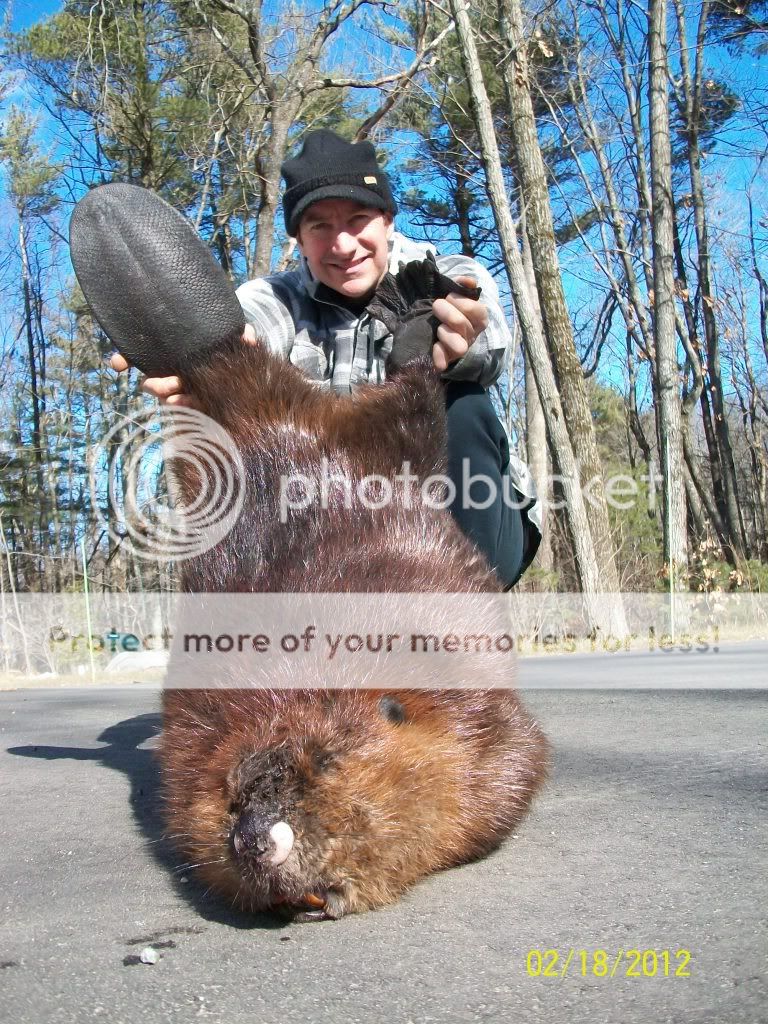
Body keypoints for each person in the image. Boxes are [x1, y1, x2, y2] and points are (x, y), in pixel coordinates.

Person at [112, 130, 541, 587]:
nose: (343, 245)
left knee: (461, 403)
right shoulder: (277, 297)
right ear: (298, 238)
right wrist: (200, 351)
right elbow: (248, 321)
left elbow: (488, 331)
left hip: (468, 525)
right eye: (319, 226)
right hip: (341, 527)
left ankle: (465, 617)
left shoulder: (444, 273)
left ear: (388, 221)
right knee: (246, 431)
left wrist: (454, 342)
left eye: (358, 219)